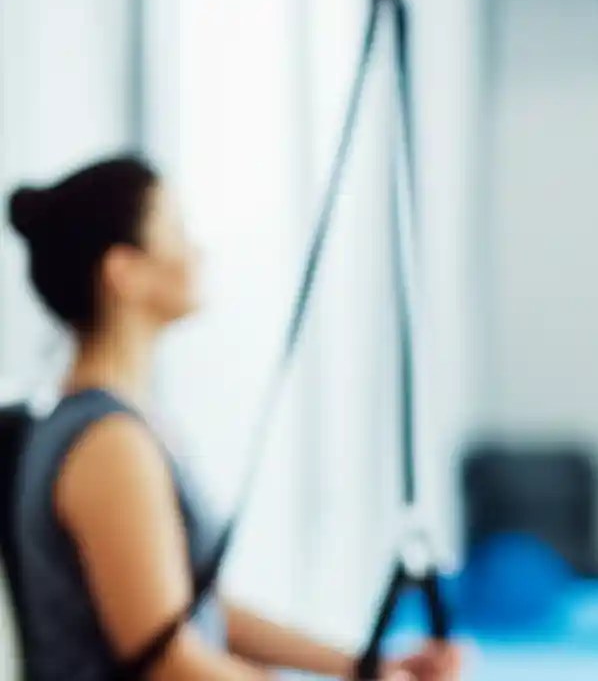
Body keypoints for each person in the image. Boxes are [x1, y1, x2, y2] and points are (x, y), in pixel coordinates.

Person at [7, 157, 461, 680]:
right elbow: (170, 662)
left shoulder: (118, 424)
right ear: (123, 272)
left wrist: (360, 667)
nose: (198, 252)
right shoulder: (109, 444)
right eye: (175, 231)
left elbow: (196, 613)